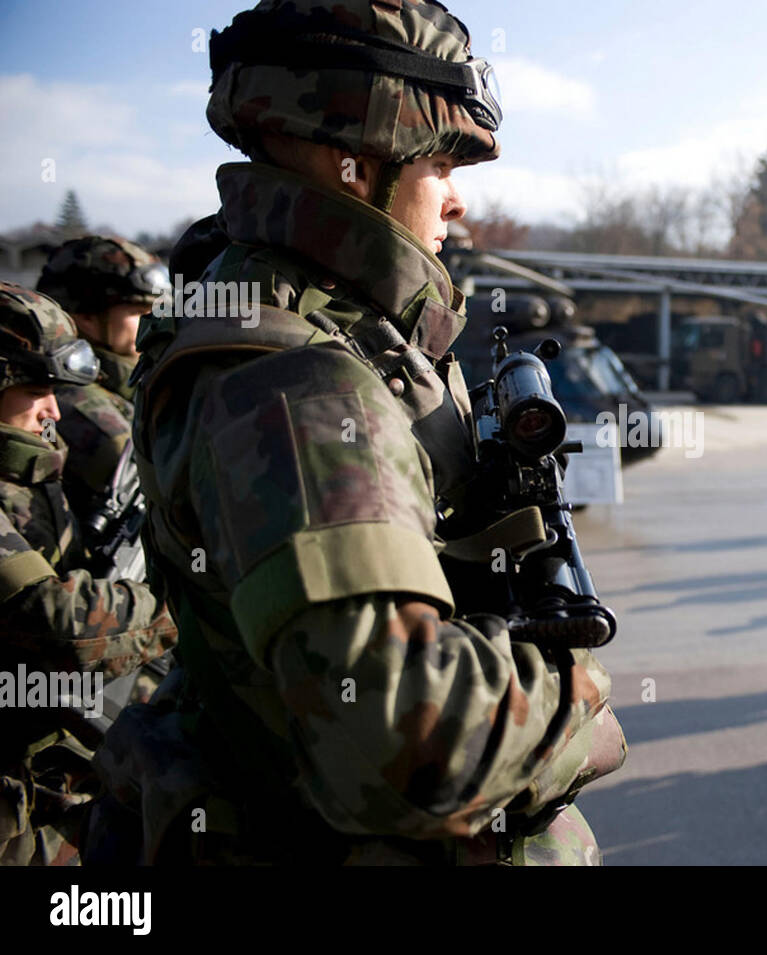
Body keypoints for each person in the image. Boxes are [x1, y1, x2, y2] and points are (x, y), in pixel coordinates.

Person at [83, 0, 625, 866]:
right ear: (358, 162)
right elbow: (405, 744)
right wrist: (580, 692)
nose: (455, 201)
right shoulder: (302, 385)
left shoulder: (285, 315)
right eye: (442, 162)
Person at [0, 283, 176, 865]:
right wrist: (172, 604)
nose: (53, 412)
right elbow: (53, 623)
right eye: (34, 392)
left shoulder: (31, 479)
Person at [35, 236, 168, 521]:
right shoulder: (75, 403)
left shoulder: (128, 380)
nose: (155, 321)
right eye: (139, 312)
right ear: (86, 317)